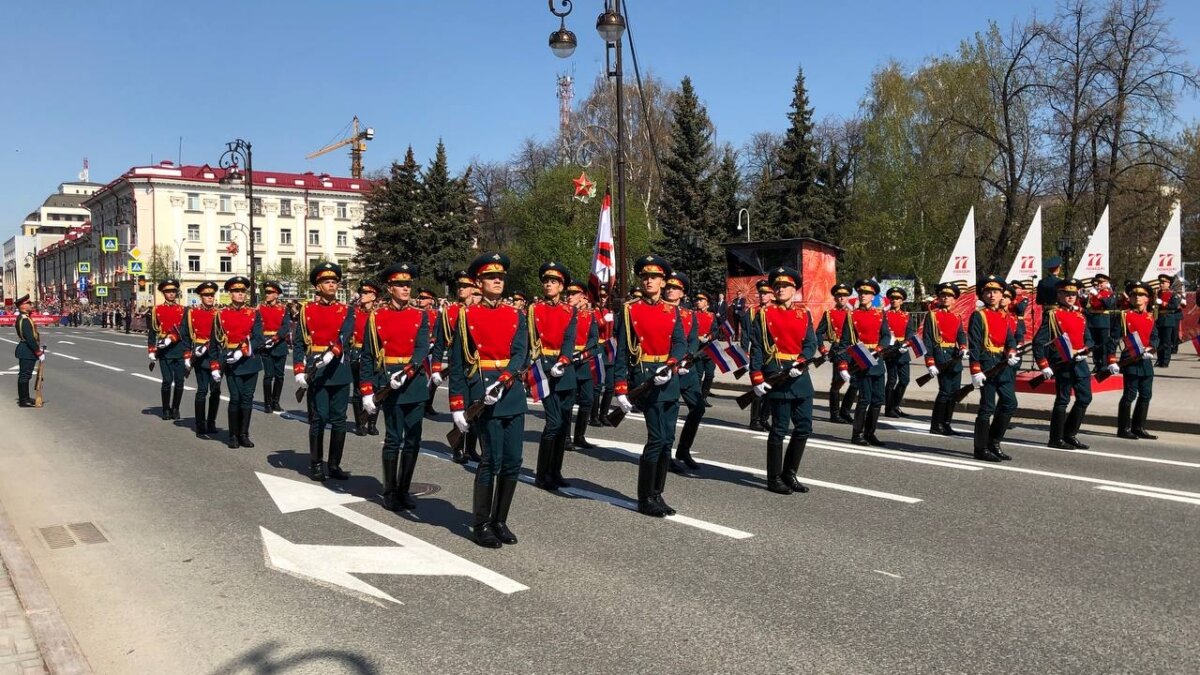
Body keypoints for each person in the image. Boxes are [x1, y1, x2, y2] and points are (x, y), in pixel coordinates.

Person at [448, 252, 530, 548]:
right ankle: (481, 523)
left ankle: (500, 520)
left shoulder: (515, 314)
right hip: (483, 395)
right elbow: (457, 364)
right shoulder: (466, 316)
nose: (498, 281)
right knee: (490, 461)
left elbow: (522, 352)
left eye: (501, 277)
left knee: (513, 462)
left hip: (511, 393)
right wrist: (457, 406)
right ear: (479, 282)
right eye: (491, 277)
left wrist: (507, 377)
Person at [611, 255, 686, 517]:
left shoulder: (672, 309)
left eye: (654, 277)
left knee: (668, 440)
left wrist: (673, 363)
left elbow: (680, 342)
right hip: (646, 379)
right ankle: (645, 497)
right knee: (656, 439)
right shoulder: (630, 309)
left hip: (669, 378)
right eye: (645, 277)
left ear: (663, 281)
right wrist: (620, 387)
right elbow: (621, 352)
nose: (649, 281)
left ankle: (658, 493)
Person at [360, 262, 431, 511]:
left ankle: (404, 489)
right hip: (389, 382)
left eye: (408, 284)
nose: (405, 288)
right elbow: (368, 355)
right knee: (393, 438)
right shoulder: (376, 317)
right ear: (390, 288)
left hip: (414, 383)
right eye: (400, 284)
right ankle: (390, 490)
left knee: (413, 439)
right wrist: (367, 390)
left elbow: (423, 347)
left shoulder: (419, 315)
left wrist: (410, 369)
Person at [747, 266, 817, 494]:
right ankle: (774, 478)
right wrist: (756, 377)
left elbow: (810, 343)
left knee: (804, 426)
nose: (780, 289)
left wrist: (803, 360)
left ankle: (790, 473)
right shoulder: (765, 314)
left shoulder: (803, 313)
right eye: (777, 286)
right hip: (777, 374)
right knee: (779, 429)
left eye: (785, 286)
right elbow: (757, 347)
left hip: (799, 375)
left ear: (794, 289)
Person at [292, 262, 356, 482]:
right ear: (317, 286)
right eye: (327, 282)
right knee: (319, 418)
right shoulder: (306, 310)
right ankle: (316, 463)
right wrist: (299, 370)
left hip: (338, 368)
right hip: (316, 369)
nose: (332, 284)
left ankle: (335, 464)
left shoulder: (346, 310)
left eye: (334, 281)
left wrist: (334, 352)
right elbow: (299, 343)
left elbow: (346, 335)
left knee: (339, 419)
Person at [529, 262, 578, 490]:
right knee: (553, 423)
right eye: (546, 281)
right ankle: (542, 473)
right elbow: (531, 341)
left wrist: (564, 360)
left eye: (553, 282)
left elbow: (569, 340)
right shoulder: (534, 309)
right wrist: (540, 364)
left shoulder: (570, 311)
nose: (548, 285)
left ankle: (555, 471)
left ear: (561, 286)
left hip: (564, 370)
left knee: (564, 423)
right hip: (544, 369)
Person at [1033, 278, 1095, 449]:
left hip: (1079, 363)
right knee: (1063, 399)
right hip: (1062, 362)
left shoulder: (1080, 315)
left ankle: (1070, 434)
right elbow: (1039, 342)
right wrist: (1043, 364)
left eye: (1073, 294)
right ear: (1059, 294)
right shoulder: (1053, 315)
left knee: (1085, 397)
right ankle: (1055, 438)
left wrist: (1086, 349)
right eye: (1066, 293)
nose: (1070, 297)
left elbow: (1089, 338)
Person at [431, 269, 481, 463]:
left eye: (466, 286)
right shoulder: (450, 312)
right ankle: (458, 447)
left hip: (476, 364)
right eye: (459, 286)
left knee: (476, 408)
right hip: (456, 364)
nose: (461, 289)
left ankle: (471, 448)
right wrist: (436, 368)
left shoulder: (479, 311)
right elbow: (440, 342)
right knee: (460, 404)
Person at [968, 275, 1019, 462]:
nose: (992, 295)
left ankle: (994, 441)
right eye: (988, 291)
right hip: (986, 363)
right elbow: (973, 343)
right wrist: (975, 369)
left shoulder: (1004, 316)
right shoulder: (978, 315)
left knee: (1009, 403)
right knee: (987, 407)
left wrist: (1012, 351)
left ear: (1001, 294)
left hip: (1002, 364)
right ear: (982, 294)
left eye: (996, 292)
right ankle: (980, 449)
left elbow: (1009, 338)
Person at [211, 276, 265, 449]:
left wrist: (243, 351)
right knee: (235, 398)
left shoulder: (253, 313)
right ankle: (233, 435)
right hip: (230, 361)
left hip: (249, 360)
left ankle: (244, 434)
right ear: (230, 293)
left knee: (247, 399)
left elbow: (259, 338)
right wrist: (215, 366)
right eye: (236, 291)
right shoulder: (221, 314)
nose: (240, 294)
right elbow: (214, 343)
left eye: (242, 291)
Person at [838, 279, 892, 447]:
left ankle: (870, 433)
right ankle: (857, 433)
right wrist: (843, 364)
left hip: (876, 358)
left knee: (878, 400)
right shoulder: (851, 315)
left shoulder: (879, 313)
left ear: (873, 296)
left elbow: (885, 335)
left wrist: (880, 347)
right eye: (861, 293)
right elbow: (845, 342)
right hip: (861, 358)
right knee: (864, 399)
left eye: (867, 293)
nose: (863, 296)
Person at [665, 271, 705, 473]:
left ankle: (683, 449)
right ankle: (666, 455)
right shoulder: (661, 311)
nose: (670, 290)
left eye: (675, 288)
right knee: (670, 413)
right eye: (669, 287)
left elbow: (693, 340)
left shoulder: (690, 315)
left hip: (686, 370)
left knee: (698, 409)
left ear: (682, 293)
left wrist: (688, 358)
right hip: (668, 369)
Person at [1110, 281, 1159, 440]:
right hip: (1130, 360)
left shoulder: (1150, 317)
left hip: (1145, 361)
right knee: (1129, 395)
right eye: (1134, 295)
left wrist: (1151, 349)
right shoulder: (1124, 316)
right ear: (1129, 298)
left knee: (1146, 395)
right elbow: (1113, 339)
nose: (1137, 297)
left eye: (1141, 295)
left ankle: (1139, 427)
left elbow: (1155, 337)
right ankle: (1123, 428)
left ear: (1148, 299)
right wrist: (1112, 360)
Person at [923, 283, 969, 436]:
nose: (946, 298)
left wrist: (963, 346)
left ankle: (947, 423)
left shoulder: (956, 316)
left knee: (954, 392)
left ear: (954, 299)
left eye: (949, 296)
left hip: (954, 356)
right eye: (943, 295)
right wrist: (929, 361)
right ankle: (936, 424)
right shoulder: (932, 315)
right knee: (945, 391)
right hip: (940, 354)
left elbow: (961, 333)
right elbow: (928, 339)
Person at [180, 282, 220, 437]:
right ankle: (200, 423)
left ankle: (212, 422)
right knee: (202, 390)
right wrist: (187, 355)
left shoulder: (219, 313)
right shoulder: (192, 313)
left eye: (211, 295)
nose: (210, 298)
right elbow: (185, 335)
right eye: (206, 295)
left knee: (216, 391)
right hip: (199, 356)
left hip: (216, 356)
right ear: (201, 297)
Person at [564, 278, 599, 451]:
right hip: (567, 360)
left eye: (573, 293)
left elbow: (594, 337)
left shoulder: (590, 315)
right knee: (568, 401)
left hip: (583, 360)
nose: (569, 296)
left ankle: (580, 436)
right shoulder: (564, 312)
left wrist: (584, 352)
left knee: (587, 400)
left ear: (583, 297)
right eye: (568, 293)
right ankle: (565, 437)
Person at [817, 283, 856, 424]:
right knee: (837, 383)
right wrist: (822, 349)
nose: (841, 298)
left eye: (844, 296)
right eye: (839, 296)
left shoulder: (854, 313)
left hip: (853, 349)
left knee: (855, 382)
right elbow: (819, 332)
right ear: (835, 298)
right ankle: (834, 414)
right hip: (838, 349)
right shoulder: (829, 314)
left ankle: (845, 411)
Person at [148, 279, 187, 420]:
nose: (171, 294)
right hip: (164, 350)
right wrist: (152, 351)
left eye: (173, 291)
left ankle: (175, 407)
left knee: (180, 381)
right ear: (163, 293)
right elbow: (152, 331)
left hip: (179, 348)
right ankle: (165, 408)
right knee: (167, 380)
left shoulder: (183, 310)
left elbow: (185, 331)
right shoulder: (157, 309)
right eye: (168, 292)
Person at [350, 279, 381, 437]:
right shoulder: (354, 312)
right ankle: (359, 423)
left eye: (366, 293)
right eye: (361, 292)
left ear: (374, 296)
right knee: (358, 390)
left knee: (376, 389)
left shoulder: (380, 314)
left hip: (376, 355)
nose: (362, 295)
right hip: (357, 353)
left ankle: (372, 422)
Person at [742, 280, 774, 431]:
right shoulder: (753, 311)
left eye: (766, 293)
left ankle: (764, 418)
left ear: (772, 295)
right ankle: (754, 420)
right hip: (756, 354)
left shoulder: (775, 311)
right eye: (761, 293)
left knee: (770, 389)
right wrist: (745, 356)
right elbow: (746, 335)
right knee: (758, 388)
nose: (762, 296)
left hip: (773, 355)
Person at [257, 281, 291, 413]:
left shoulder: (283, 309)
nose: (267, 294)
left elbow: (285, 326)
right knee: (268, 375)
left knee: (280, 376)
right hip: (266, 345)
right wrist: (263, 340)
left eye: (270, 292)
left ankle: (275, 401)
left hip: (279, 345)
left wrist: (276, 338)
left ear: (276, 295)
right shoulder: (260, 309)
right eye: (266, 292)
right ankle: (267, 403)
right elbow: (258, 326)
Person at [882, 287, 913, 418]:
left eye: (898, 298)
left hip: (903, 350)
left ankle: (895, 405)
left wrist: (906, 343)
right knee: (891, 380)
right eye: (893, 298)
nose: (895, 300)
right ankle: (889, 408)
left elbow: (910, 332)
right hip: (890, 351)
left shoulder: (906, 316)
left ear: (902, 301)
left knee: (905, 380)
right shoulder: (884, 315)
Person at [591, 285, 617, 427]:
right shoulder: (592, 312)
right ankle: (593, 416)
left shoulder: (610, 311)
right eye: (601, 296)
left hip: (610, 348)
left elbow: (616, 329)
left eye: (605, 296)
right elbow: (594, 327)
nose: (603, 299)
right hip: (599, 348)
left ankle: (604, 414)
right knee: (597, 386)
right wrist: (603, 320)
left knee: (610, 386)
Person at [13, 295, 44, 408]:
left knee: (26, 375)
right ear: (23, 306)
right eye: (29, 303)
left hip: (26, 349)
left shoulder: (25, 317)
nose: (31, 305)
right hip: (26, 350)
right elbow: (30, 338)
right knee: (25, 375)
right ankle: (23, 400)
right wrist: (38, 352)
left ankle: (25, 397)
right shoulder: (24, 319)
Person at [1085, 273, 1117, 374]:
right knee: (1095, 345)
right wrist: (1084, 297)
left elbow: (1108, 304)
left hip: (1103, 320)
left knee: (1103, 345)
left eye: (1101, 282)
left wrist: (1097, 295)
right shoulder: (1094, 292)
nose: (1099, 284)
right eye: (1098, 282)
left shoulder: (1110, 293)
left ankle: (1104, 365)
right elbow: (1089, 305)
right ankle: (1097, 364)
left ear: (1107, 283)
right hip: (1093, 320)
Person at [692, 291, 718, 407]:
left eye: (701, 300)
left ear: (707, 303)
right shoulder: (692, 314)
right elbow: (688, 332)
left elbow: (716, 331)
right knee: (698, 375)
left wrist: (710, 337)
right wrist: (698, 338)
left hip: (710, 349)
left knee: (709, 375)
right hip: (697, 349)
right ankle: (696, 398)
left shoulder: (712, 315)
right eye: (697, 300)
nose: (698, 302)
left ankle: (704, 397)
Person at [1153, 274, 1183, 368]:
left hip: (1168, 318)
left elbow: (1174, 306)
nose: (1161, 284)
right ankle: (1159, 359)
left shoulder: (1173, 294)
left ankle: (1165, 361)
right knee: (1159, 341)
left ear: (1168, 283)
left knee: (1166, 341)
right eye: (1160, 283)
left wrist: (1163, 303)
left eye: (1163, 283)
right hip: (1158, 319)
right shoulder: (1158, 293)